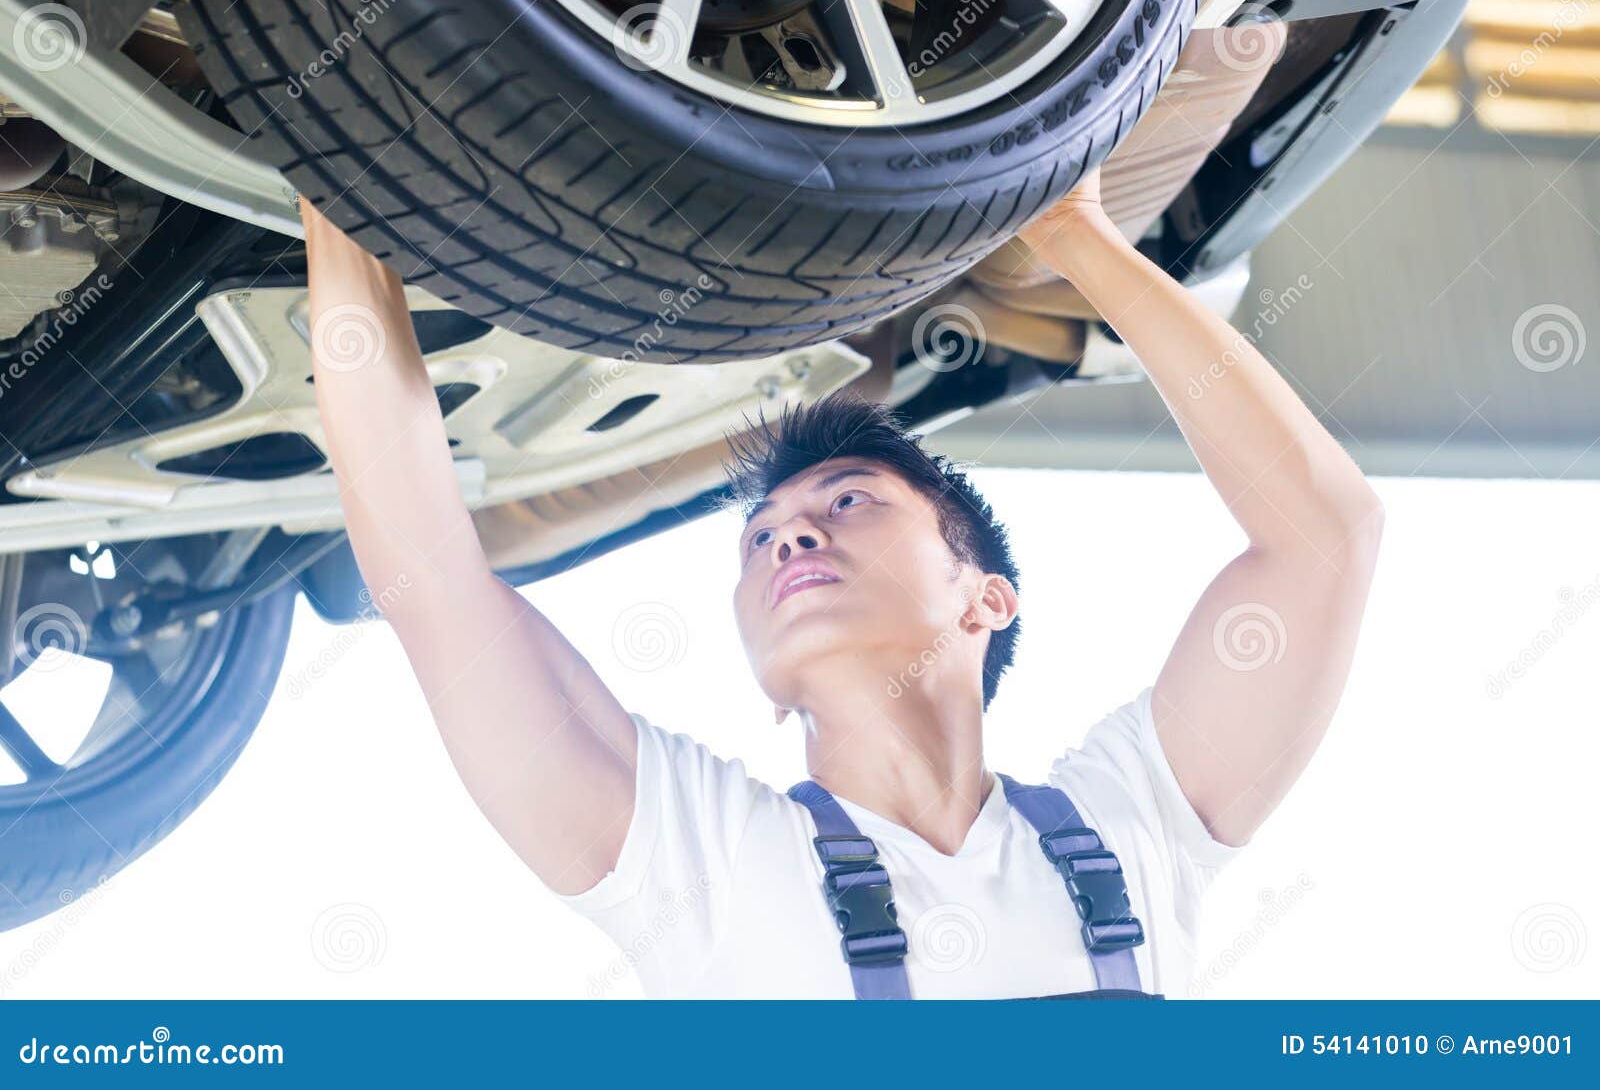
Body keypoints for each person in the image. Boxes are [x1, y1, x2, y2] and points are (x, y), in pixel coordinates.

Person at [299, 165, 1383, 999]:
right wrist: (339, 160)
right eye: (762, 534)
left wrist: (1075, 236)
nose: (788, 538)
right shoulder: (698, 848)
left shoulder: (1128, 832)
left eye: (849, 500)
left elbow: (1325, 536)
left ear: (985, 598)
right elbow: (433, 572)